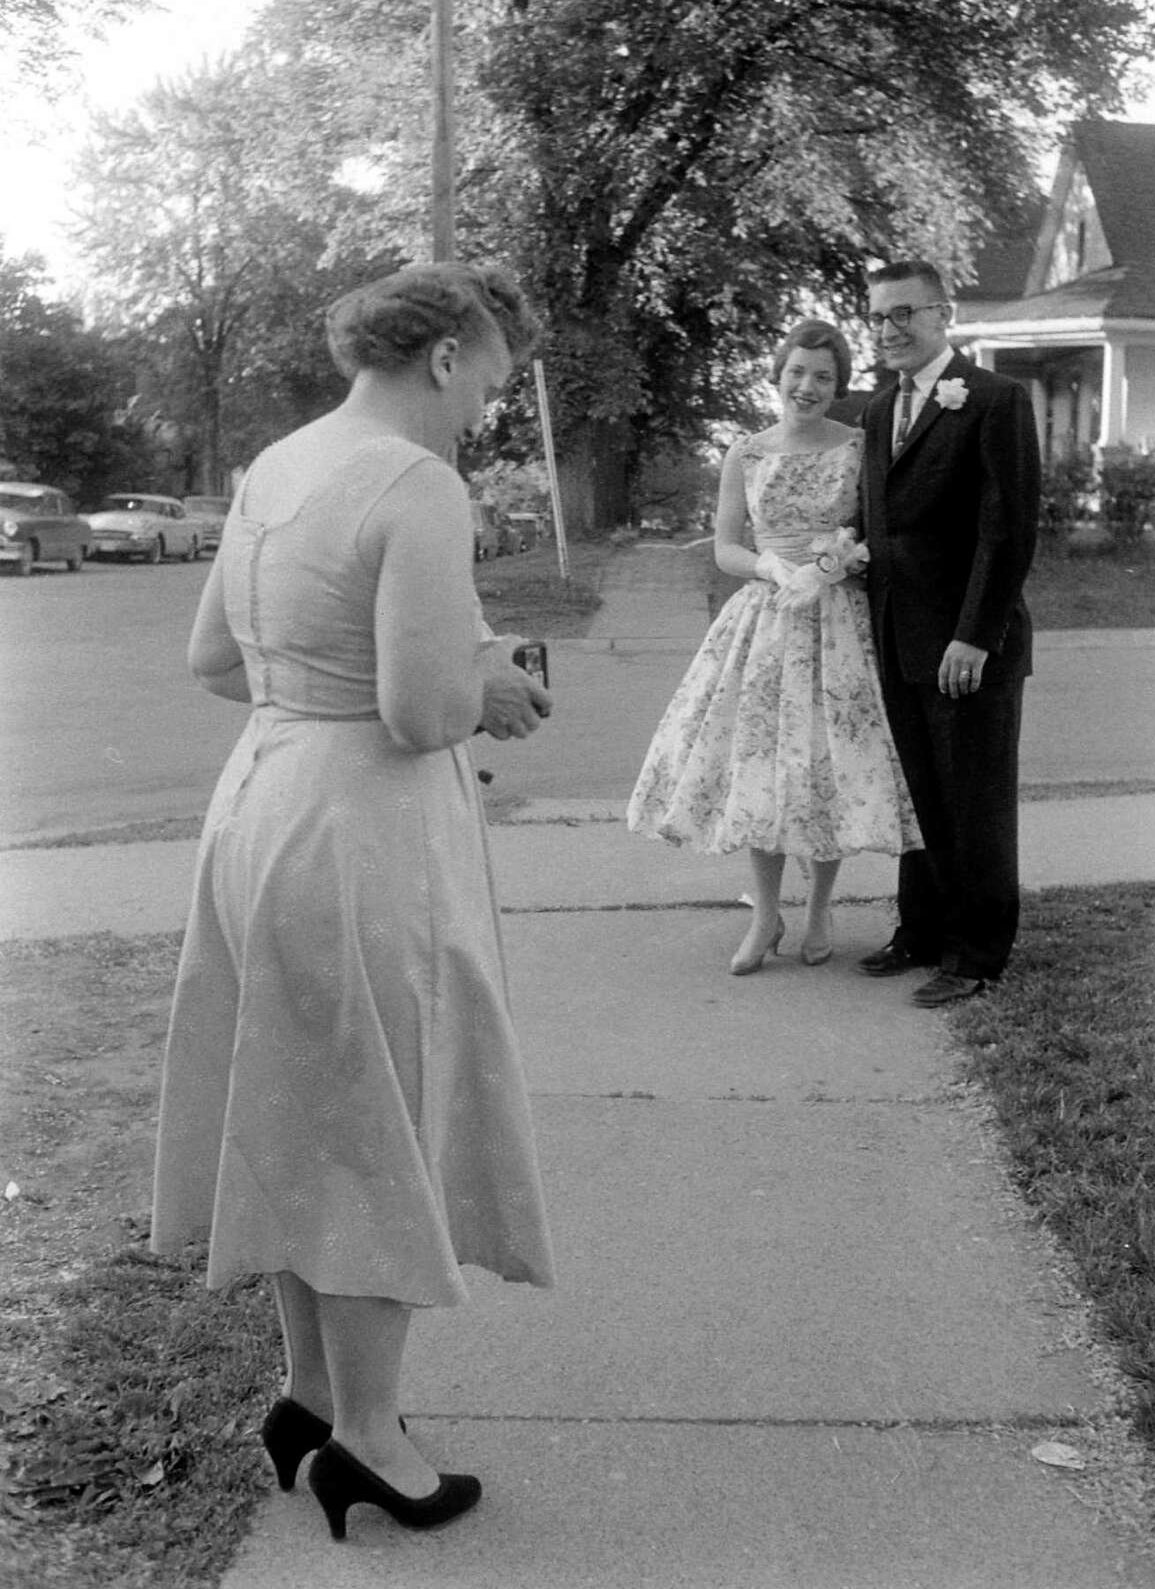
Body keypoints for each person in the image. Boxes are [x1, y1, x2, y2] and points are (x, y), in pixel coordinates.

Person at [150, 262, 556, 1542]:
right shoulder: (416, 483)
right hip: (363, 830)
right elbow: (422, 711)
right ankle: (371, 1442)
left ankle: (312, 1400)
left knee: (294, 1100)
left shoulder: (278, 464)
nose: (489, 405)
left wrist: (321, 686)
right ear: (446, 356)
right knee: (374, 1115)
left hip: (261, 799)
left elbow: (215, 659)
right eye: (493, 378)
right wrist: (492, 683)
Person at [627, 318, 920, 974]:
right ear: (778, 373)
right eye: (797, 371)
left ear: (839, 384)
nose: (807, 386)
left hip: (838, 621)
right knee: (760, 766)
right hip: (765, 618)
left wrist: (840, 563)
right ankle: (766, 913)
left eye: (822, 376)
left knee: (822, 768)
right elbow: (727, 544)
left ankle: (819, 907)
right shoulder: (748, 452)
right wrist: (769, 567)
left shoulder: (859, 445)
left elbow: (879, 528)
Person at [858, 260, 1041, 1007]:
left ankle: (976, 953)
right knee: (916, 795)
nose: (889, 329)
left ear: (944, 314)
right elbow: (879, 521)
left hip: (970, 645)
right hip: (898, 636)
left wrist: (975, 634)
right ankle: (921, 931)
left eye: (904, 313)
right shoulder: (876, 412)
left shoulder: (995, 400)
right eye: (877, 317)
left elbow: (1008, 530)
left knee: (975, 801)